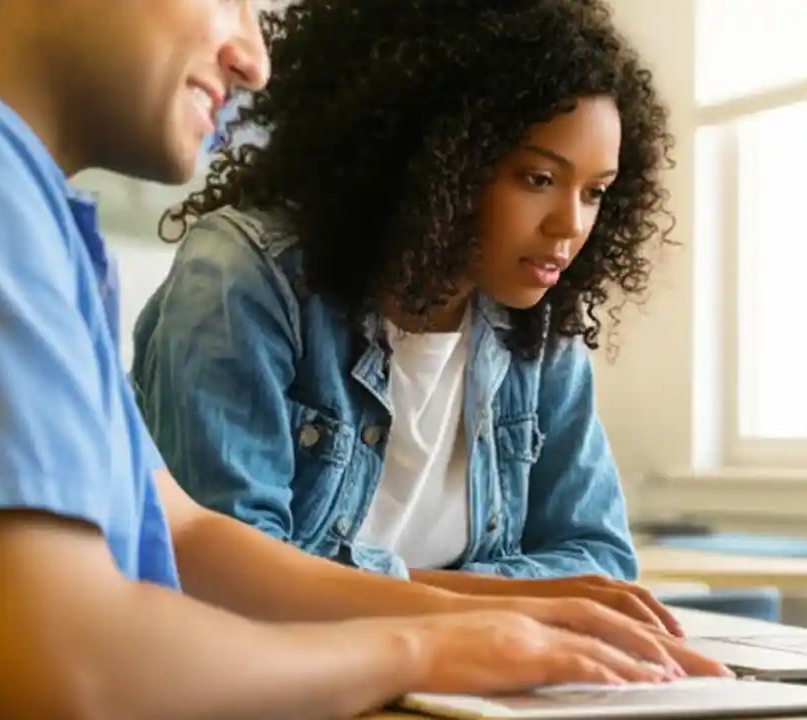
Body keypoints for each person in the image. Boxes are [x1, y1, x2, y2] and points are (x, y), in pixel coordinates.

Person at [0, 2, 727, 717]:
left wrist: (503, 620)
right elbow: (75, 666)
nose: (254, 59)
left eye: (596, 192)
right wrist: (427, 643)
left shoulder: (42, 214)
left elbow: (189, 534)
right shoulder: (7, 195)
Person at [131, 0, 676, 606]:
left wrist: (437, 605)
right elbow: (229, 576)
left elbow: (600, 560)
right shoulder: (245, 279)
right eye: (538, 179)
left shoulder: (537, 330)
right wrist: (492, 605)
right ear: (440, 156)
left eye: (596, 192)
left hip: (469, 688)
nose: (569, 226)